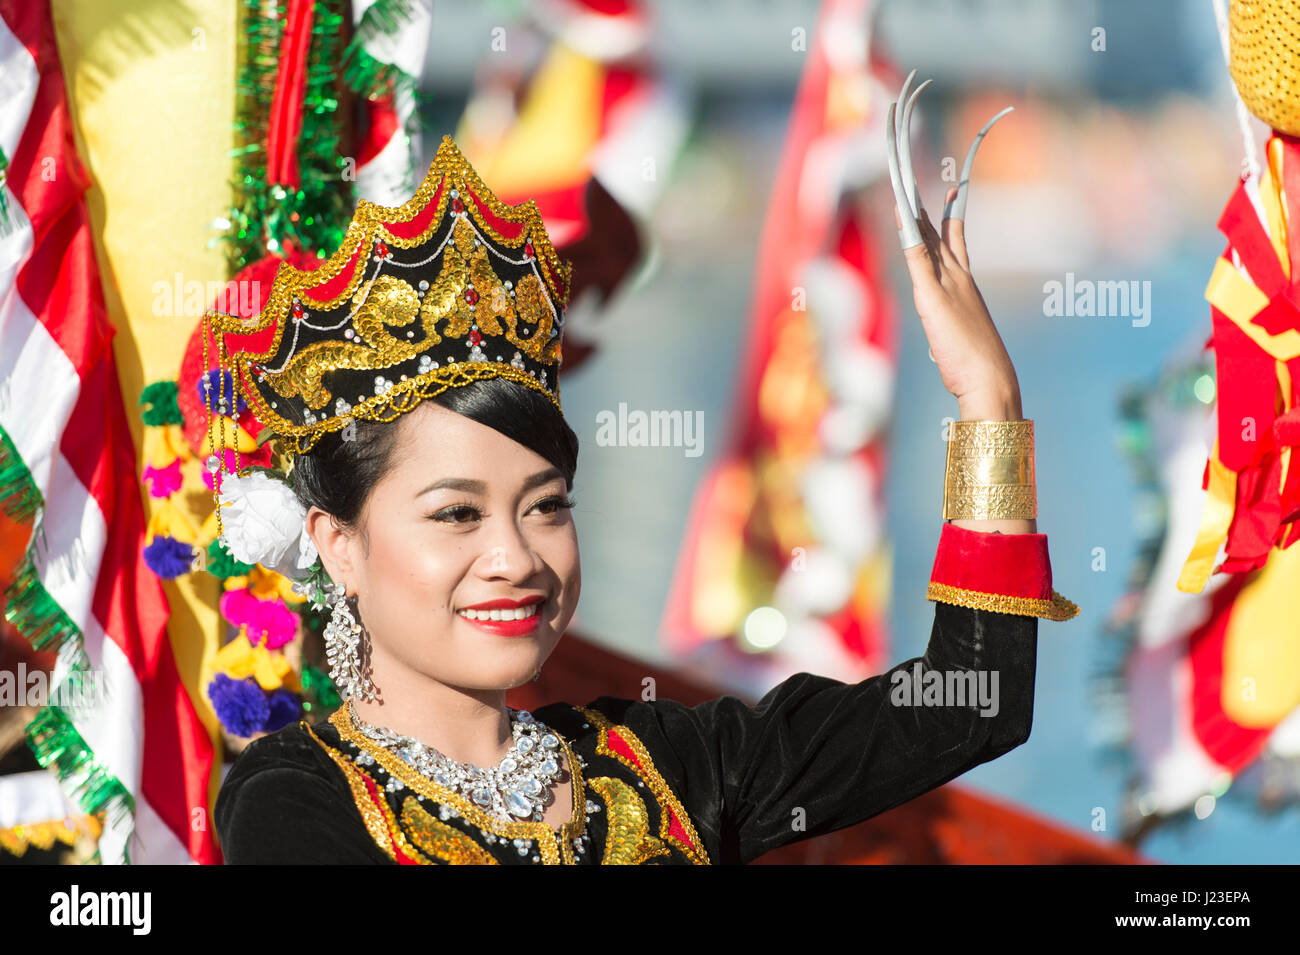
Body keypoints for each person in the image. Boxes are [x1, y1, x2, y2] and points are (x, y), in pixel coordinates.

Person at [211, 88, 1077, 865]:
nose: (515, 557)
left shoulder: (658, 762)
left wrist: (988, 402)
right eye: (456, 515)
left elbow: (974, 701)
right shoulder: (295, 799)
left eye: (545, 506)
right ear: (339, 545)